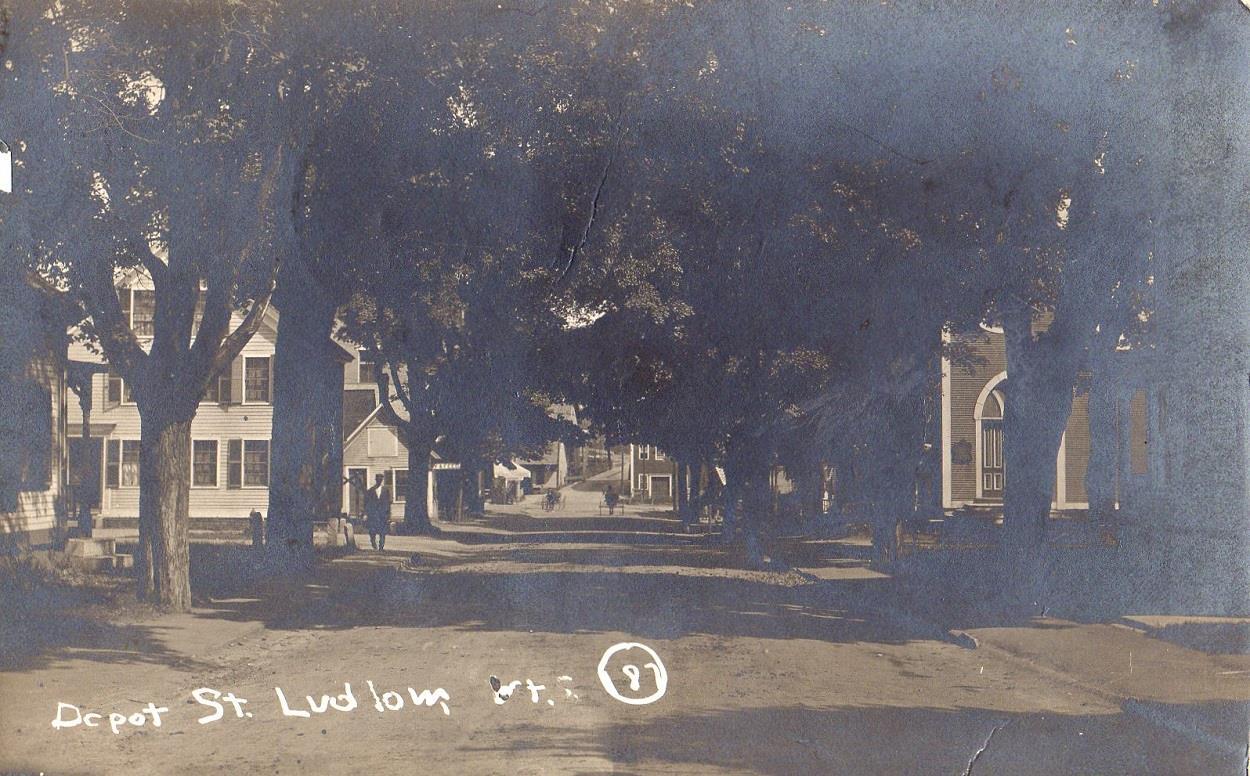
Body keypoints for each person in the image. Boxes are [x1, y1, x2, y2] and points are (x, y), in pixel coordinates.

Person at [366, 473, 392, 550]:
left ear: (382, 480)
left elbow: (388, 503)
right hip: (373, 514)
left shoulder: (385, 490)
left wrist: (389, 514)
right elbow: (367, 503)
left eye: (381, 479)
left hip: (383, 514)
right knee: (372, 530)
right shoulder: (371, 490)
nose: (379, 481)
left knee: (382, 531)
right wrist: (367, 513)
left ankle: (381, 546)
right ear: (376, 480)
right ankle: (373, 543)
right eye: (378, 479)